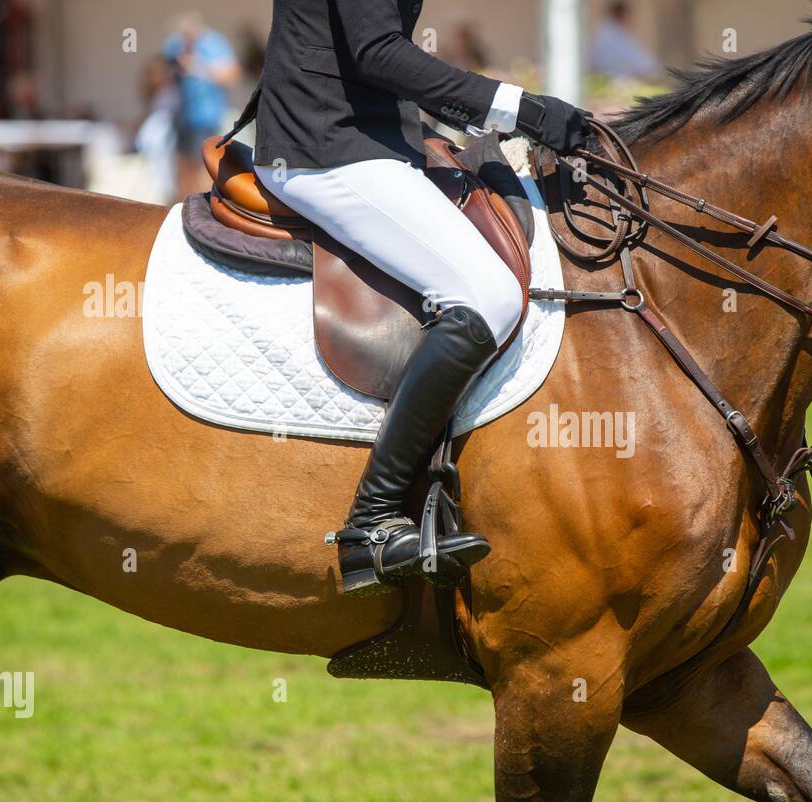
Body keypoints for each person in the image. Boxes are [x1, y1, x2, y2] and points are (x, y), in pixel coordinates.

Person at [239, 0, 592, 595]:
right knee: (488, 296)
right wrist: (517, 107)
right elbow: (377, 51)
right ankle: (372, 524)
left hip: (372, 133)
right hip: (325, 144)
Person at [164, 12, 241, 198]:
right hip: (182, 116)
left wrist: (199, 67)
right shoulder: (175, 45)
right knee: (182, 165)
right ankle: (184, 205)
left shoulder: (214, 43)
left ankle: (204, 205)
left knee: (204, 166)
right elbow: (163, 72)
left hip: (207, 116)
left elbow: (232, 75)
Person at [590, 1, 660, 81]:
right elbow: (639, 62)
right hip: (617, 82)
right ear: (620, 14)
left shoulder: (615, 33)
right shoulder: (611, 35)